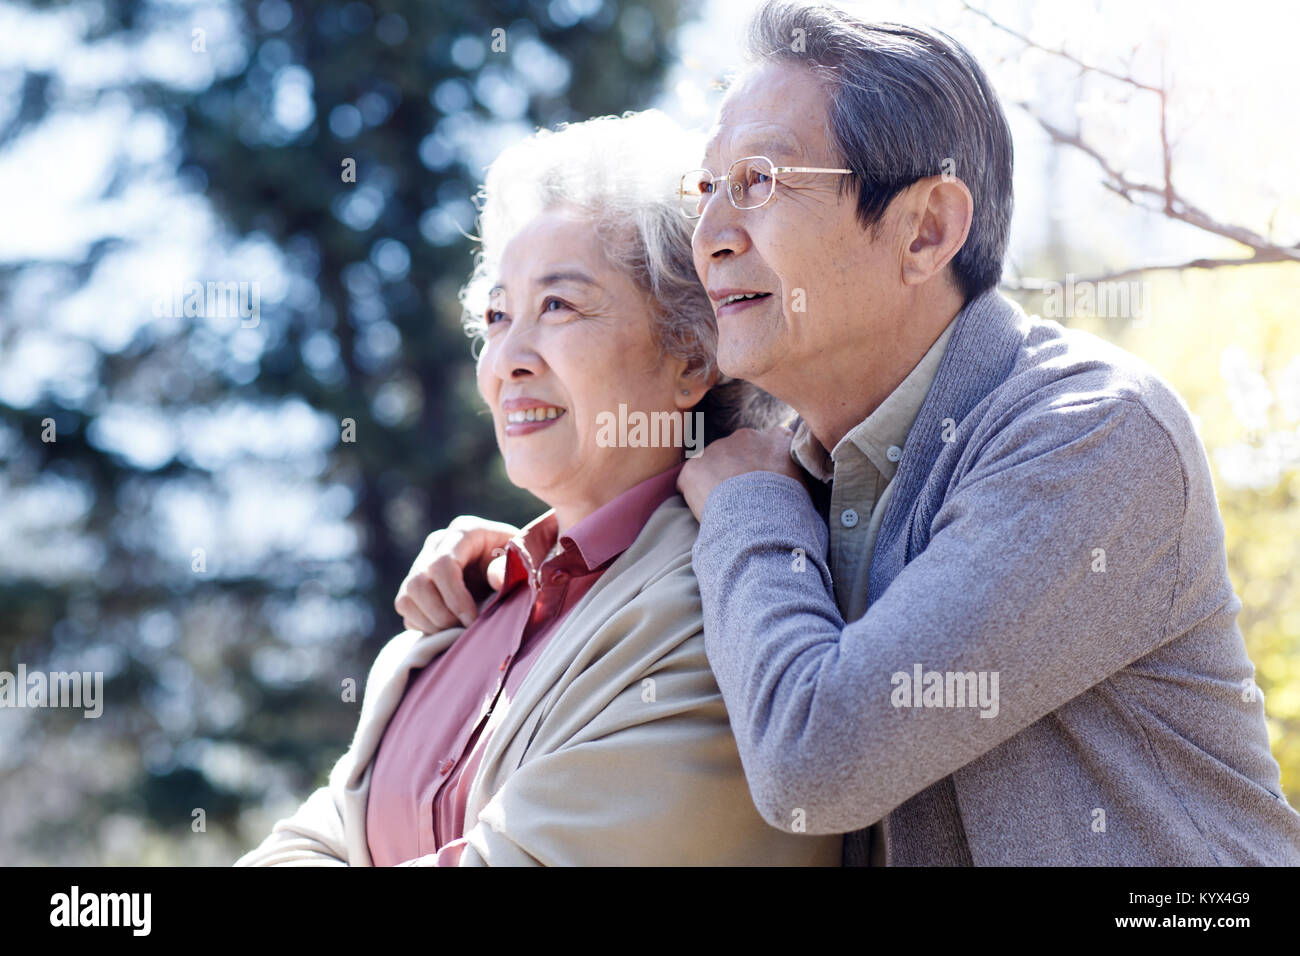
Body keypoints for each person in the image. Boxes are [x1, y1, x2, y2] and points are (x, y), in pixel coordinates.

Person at [401, 2, 1300, 865]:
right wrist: (515, 566)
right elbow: (641, 521)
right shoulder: (800, 475)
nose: (709, 232)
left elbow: (817, 765)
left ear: (925, 230)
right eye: (705, 188)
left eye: (757, 182)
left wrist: (749, 503)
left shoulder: (1088, 436)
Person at [234, 108, 839, 866]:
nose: (507, 358)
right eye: (496, 315)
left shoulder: (727, 602)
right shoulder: (464, 604)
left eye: (558, 305)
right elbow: (306, 840)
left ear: (691, 356)